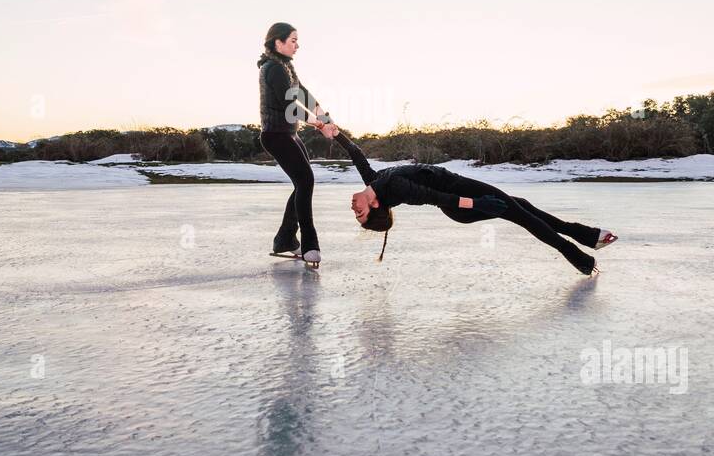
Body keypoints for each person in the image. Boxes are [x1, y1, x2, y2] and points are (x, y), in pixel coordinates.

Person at [316, 123, 618, 275]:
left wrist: (334, 131)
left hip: (462, 198)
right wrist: (477, 204)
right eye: (360, 215)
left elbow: (356, 154)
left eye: (356, 214)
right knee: (520, 214)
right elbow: (436, 196)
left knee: (521, 207)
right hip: (461, 201)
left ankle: (586, 236)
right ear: (375, 207)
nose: (353, 209)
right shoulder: (395, 189)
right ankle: (580, 256)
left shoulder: (374, 181)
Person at [258, 23, 334, 266]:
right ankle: (310, 244)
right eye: (293, 40)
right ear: (277, 43)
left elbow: (303, 94)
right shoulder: (273, 69)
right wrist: (320, 125)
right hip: (276, 135)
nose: (297, 45)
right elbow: (290, 106)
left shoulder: (286, 66)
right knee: (305, 181)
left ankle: (285, 239)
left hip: (289, 134)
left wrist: (326, 119)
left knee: (303, 182)